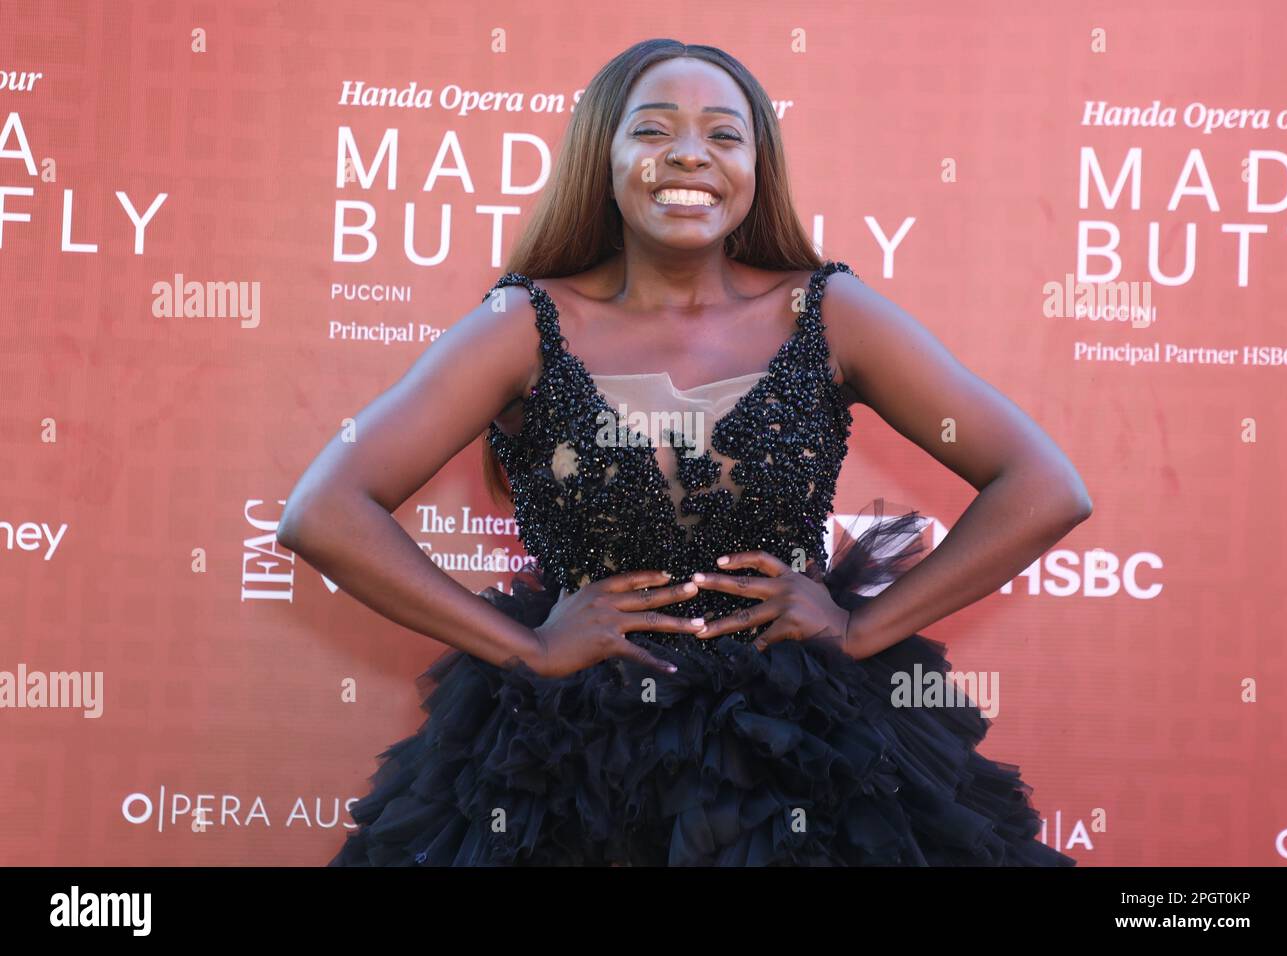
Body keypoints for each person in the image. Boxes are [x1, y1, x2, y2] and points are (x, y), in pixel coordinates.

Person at [277, 38, 1092, 866]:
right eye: (654, 130)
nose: (690, 155)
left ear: (757, 166)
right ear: (605, 156)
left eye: (724, 135)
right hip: (568, 767)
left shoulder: (829, 310)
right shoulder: (521, 323)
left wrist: (859, 628)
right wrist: (528, 647)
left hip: (803, 755)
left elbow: (1043, 486)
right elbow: (325, 512)